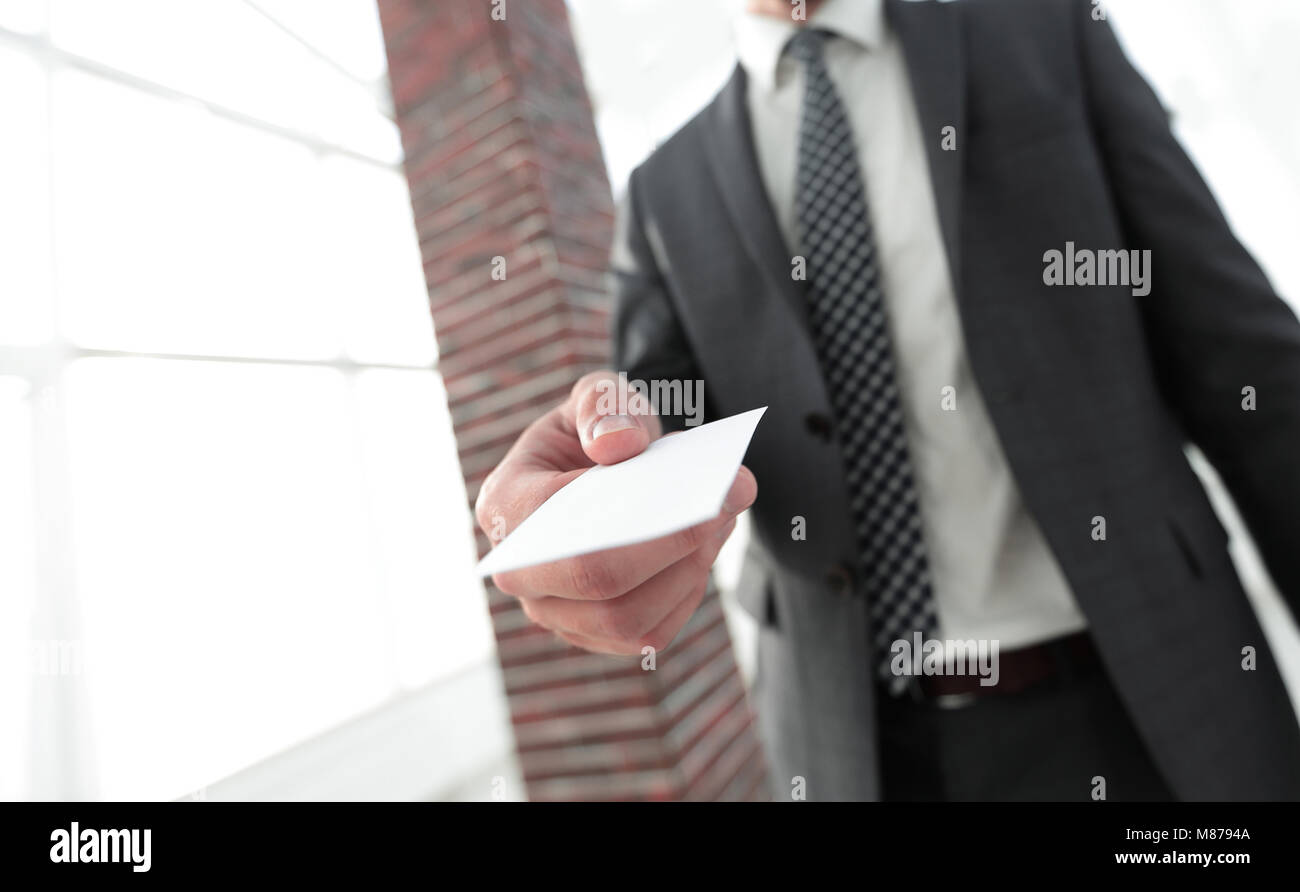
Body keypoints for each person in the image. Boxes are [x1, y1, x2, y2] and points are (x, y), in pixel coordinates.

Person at [475, 0, 1300, 800]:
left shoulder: (1047, 31)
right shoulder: (664, 189)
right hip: (862, 745)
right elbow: (663, 409)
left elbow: (1244, 362)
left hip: (1144, 698)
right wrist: (600, 488)